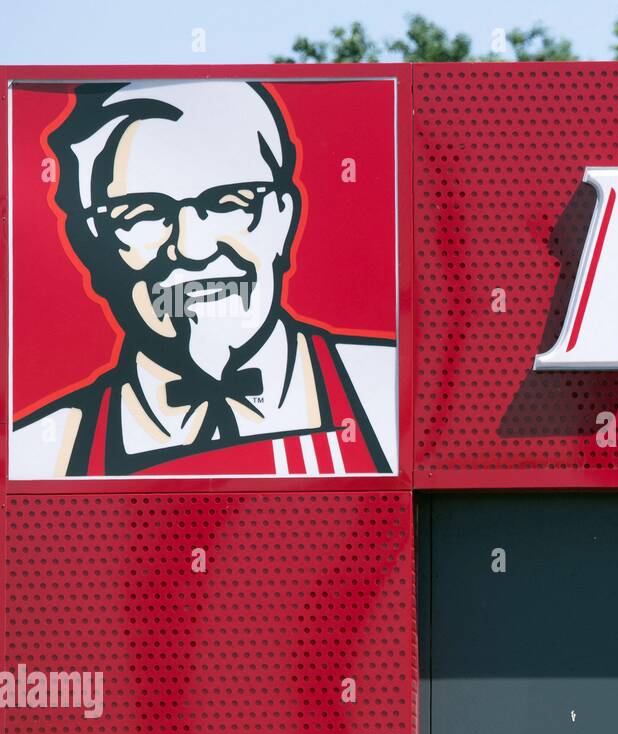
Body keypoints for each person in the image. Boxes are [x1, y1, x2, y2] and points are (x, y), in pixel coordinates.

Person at [12, 80, 396, 477]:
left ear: (284, 218)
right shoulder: (43, 452)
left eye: (230, 202)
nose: (193, 249)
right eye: (141, 213)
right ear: (91, 246)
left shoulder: (389, 396)